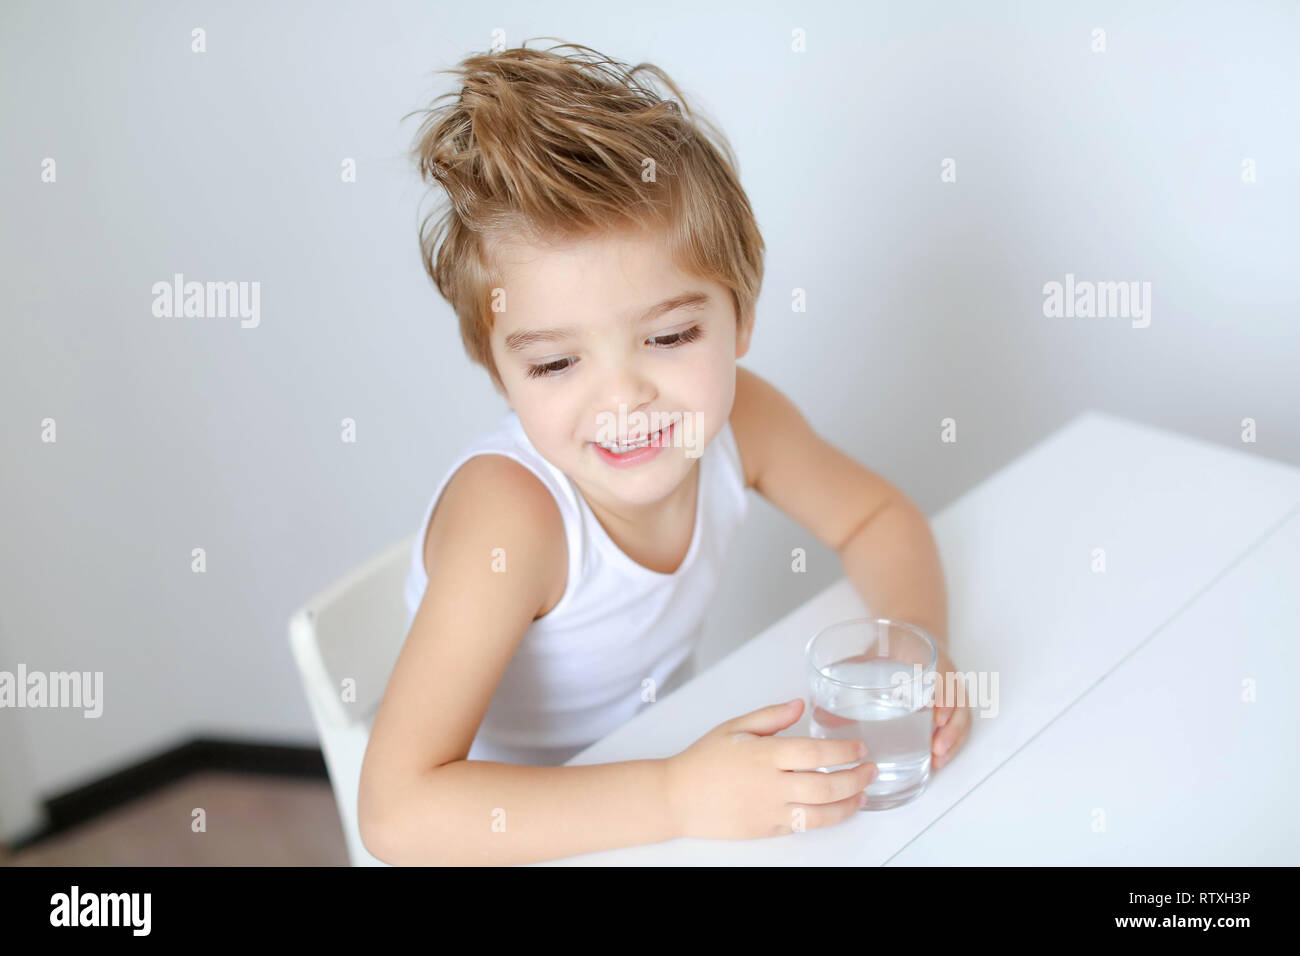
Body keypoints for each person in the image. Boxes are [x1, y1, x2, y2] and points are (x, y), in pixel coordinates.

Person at [358, 38, 969, 866]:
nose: (623, 399)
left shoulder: (741, 421)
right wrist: (679, 793)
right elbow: (397, 814)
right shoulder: (512, 519)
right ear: (501, 371)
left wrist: (914, 647)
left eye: (671, 335)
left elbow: (876, 517)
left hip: (669, 775)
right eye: (556, 362)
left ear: (740, 315)